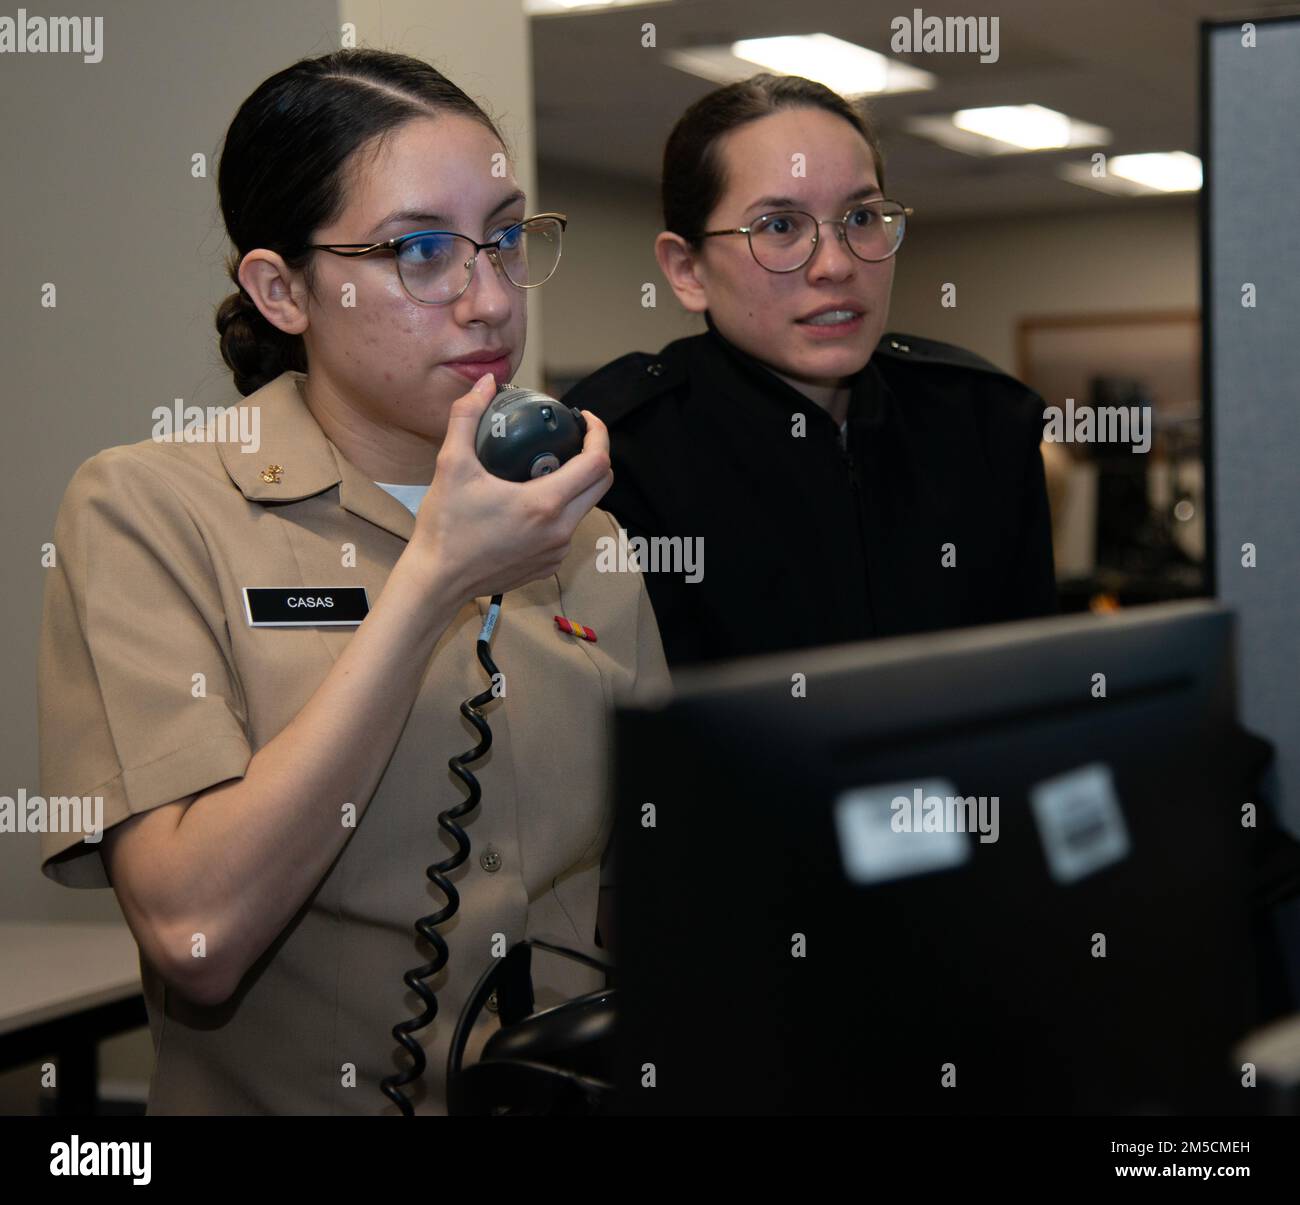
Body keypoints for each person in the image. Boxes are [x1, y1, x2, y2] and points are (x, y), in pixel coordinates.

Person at [36, 48, 668, 1116]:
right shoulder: (148, 509)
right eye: (421, 249)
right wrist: (433, 583)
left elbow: (640, 893)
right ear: (283, 290)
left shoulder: (584, 531)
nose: (487, 298)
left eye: (505, 238)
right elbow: (197, 938)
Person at [565, 74, 1058, 669]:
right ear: (686, 269)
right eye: (779, 226)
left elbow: (1033, 681)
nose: (835, 264)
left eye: (862, 218)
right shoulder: (615, 456)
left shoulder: (983, 417)